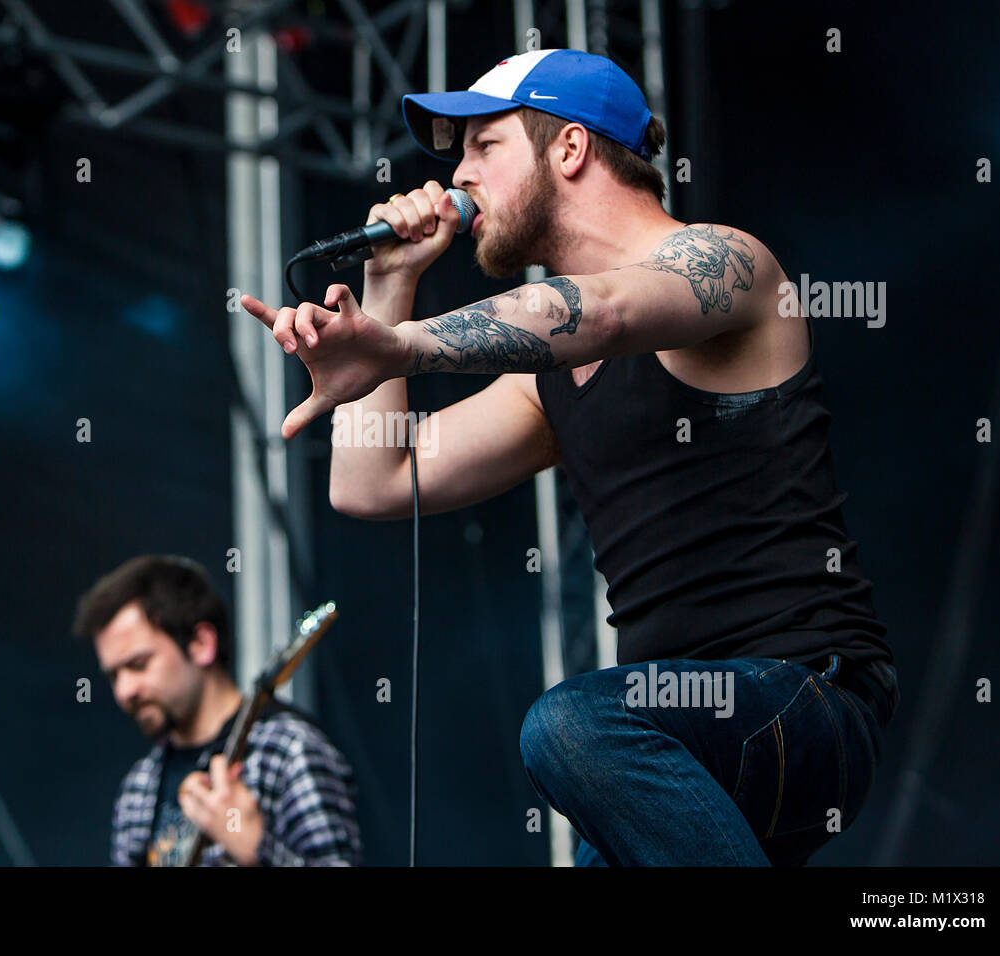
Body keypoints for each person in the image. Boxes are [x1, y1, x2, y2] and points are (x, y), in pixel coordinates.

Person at [240, 48, 899, 866]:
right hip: (667, 740)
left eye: (484, 146)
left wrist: (398, 347)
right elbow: (374, 482)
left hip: (805, 702)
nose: (457, 175)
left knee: (568, 724)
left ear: (571, 148)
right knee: (584, 738)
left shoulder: (731, 264)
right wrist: (391, 287)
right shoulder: (546, 384)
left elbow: (611, 311)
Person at [73, 554, 361, 866]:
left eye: (138, 665)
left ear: (201, 643)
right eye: (114, 675)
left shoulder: (289, 749)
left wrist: (257, 849)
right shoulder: (139, 787)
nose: (124, 691)